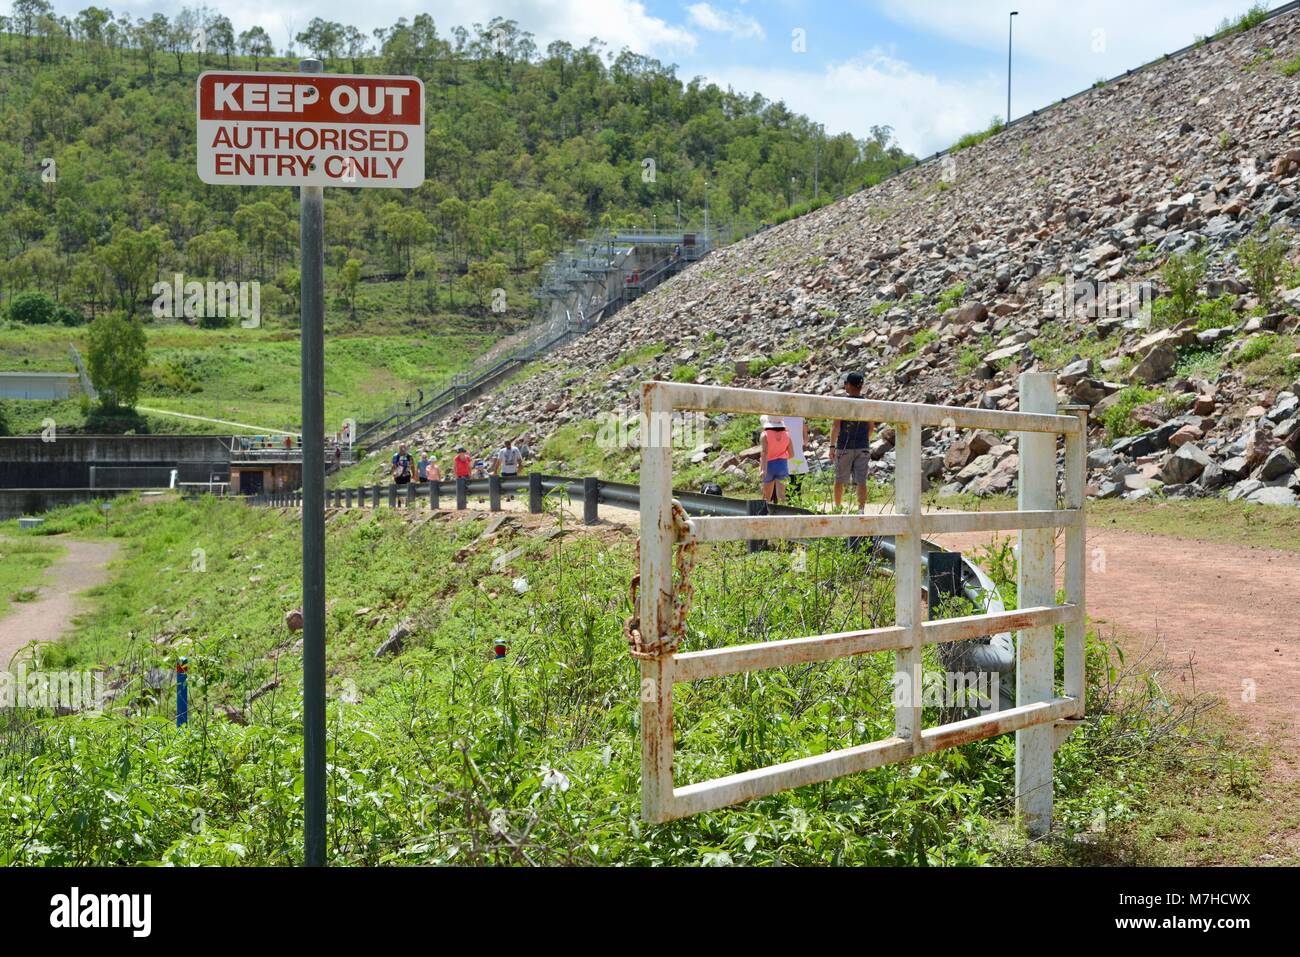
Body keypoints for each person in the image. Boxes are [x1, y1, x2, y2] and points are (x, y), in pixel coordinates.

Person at [831, 372, 872, 511]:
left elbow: (836, 426)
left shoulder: (842, 403)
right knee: (861, 480)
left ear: (848, 385)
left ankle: (837, 508)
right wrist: (865, 440)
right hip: (863, 446)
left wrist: (831, 446)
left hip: (844, 446)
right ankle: (861, 509)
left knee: (839, 479)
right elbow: (871, 427)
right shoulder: (868, 403)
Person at [758, 414, 792, 504]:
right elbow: (792, 454)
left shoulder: (764, 435)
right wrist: (782, 456)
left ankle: (765, 515)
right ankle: (783, 514)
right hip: (782, 465)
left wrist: (763, 469)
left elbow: (764, 453)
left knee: (766, 497)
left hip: (768, 465)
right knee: (782, 495)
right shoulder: (787, 435)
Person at [781, 415, 812, 498]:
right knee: (797, 491)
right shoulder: (801, 418)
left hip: (785, 459)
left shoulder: (780, 418)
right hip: (799, 458)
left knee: (787, 491)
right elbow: (806, 442)